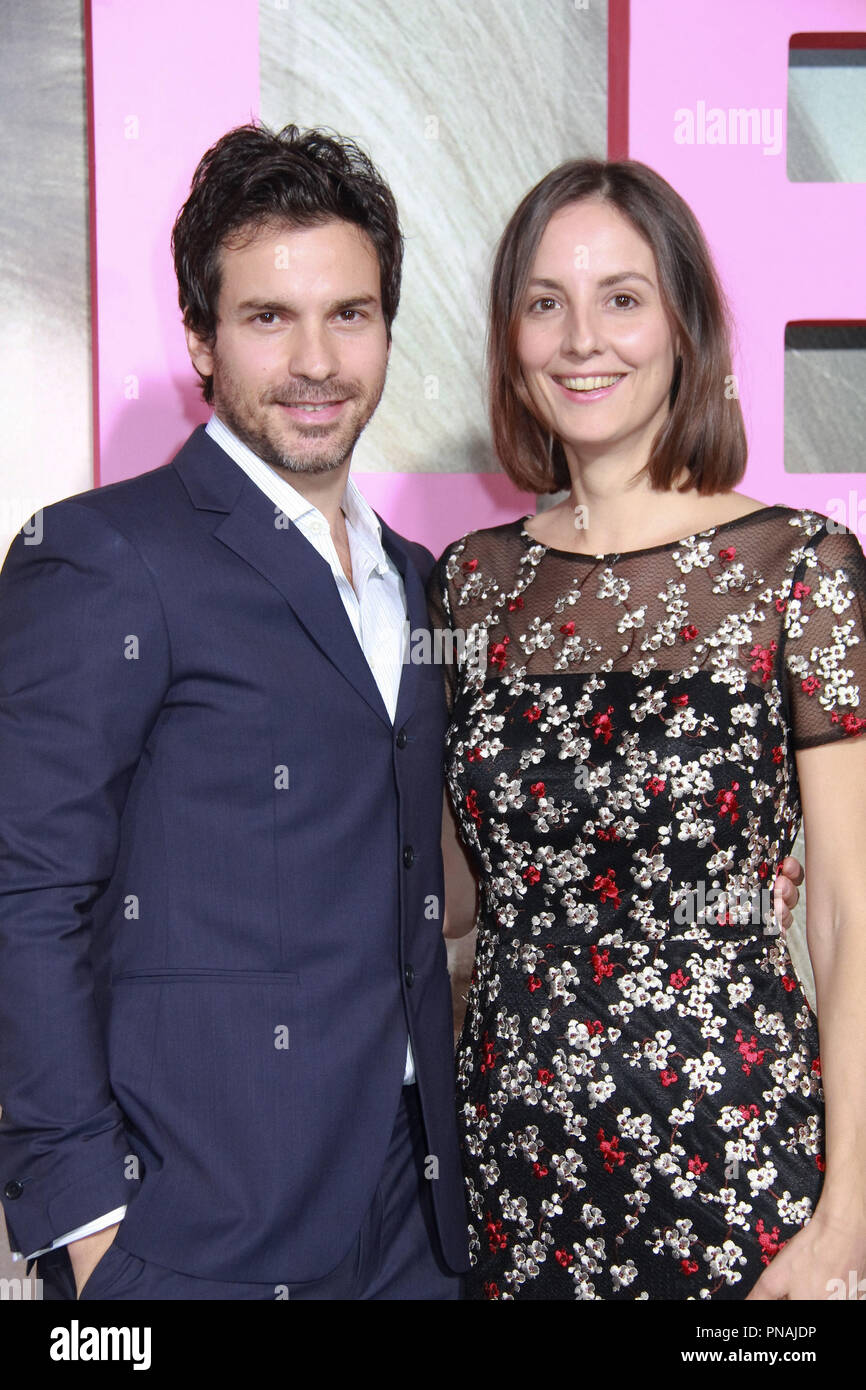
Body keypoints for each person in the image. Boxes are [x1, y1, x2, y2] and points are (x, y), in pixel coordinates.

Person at [0, 122, 471, 1300]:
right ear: (202, 340)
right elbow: (23, 889)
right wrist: (87, 1218)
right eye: (268, 318)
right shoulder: (105, 555)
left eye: (347, 315)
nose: (315, 359)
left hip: (411, 1225)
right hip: (185, 1237)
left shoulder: (422, 579)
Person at [430, 157, 866, 1300]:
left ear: (682, 324)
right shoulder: (468, 586)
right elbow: (447, 899)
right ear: (510, 338)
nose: (583, 338)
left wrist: (844, 1225)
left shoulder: (797, 570)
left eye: (620, 297)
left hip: (740, 1168)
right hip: (509, 1172)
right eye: (544, 302)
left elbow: (848, 914)